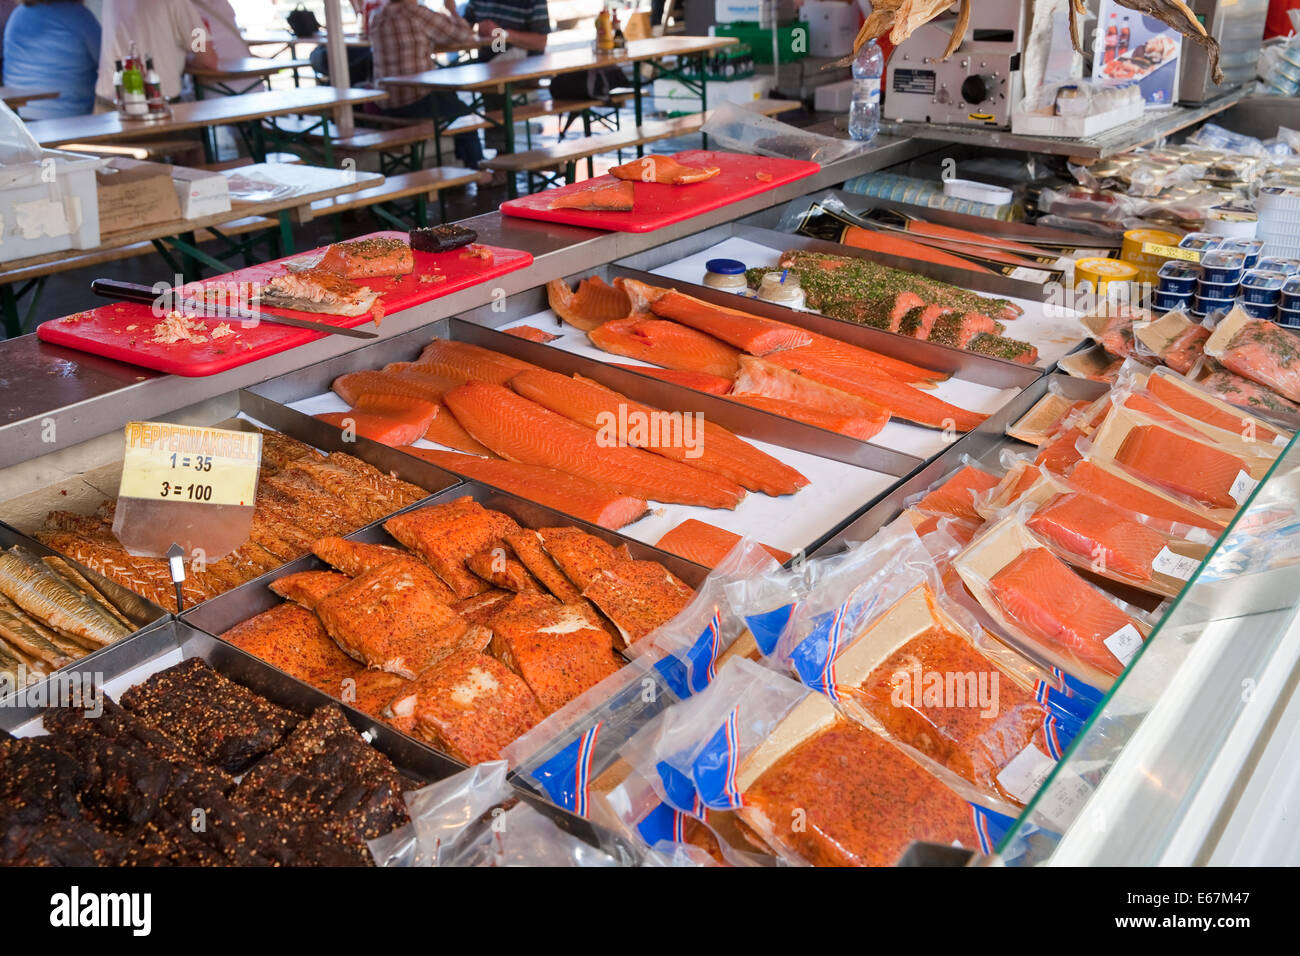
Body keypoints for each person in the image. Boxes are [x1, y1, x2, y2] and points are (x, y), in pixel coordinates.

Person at [369, 0, 490, 182]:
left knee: (450, 99)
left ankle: (461, 167)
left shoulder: (376, 16)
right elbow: (464, 35)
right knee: (466, 117)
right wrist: (452, 10)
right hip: (414, 99)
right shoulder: (417, 13)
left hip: (384, 101)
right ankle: (479, 170)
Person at [95, 0, 218, 104]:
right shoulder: (178, 2)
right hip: (156, 105)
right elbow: (208, 60)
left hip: (108, 103)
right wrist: (190, 61)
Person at [3, 0, 101, 119]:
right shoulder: (79, 16)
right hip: (69, 117)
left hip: (18, 116)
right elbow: (106, 61)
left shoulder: (17, 15)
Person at [463, 0, 549, 60]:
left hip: (522, 63)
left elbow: (541, 42)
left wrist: (503, 34)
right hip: (486, 62)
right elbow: (464, 29)